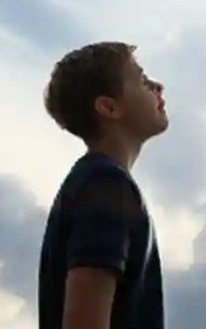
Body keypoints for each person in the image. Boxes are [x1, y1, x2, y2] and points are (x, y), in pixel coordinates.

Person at [37, 42, 169, 329]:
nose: (158, 85)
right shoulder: (106, 185)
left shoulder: (95, 181)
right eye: (142, 80)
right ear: (109, 107)